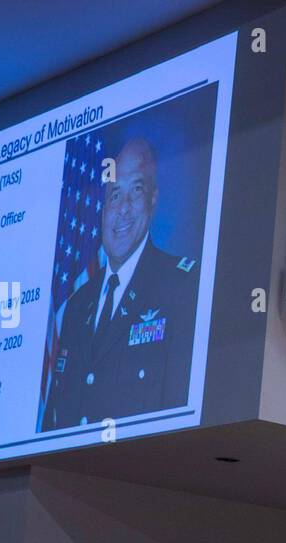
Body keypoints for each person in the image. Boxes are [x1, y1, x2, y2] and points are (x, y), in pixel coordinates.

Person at [41, 137, 199, 431]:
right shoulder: (77, 305)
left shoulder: (181, 287)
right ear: (102, 208)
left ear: (153, 199)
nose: (123, 209)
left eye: (136, 191)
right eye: (115, 195)